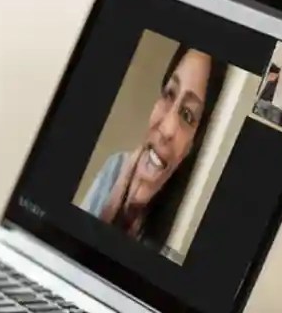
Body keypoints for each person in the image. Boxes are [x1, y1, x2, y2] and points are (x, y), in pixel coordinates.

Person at [79, 45, 227, 252]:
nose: (166, 128)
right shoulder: (116, 166)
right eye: (169, 94)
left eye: (187, 115)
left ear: (195, 144)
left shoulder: (179, 234)